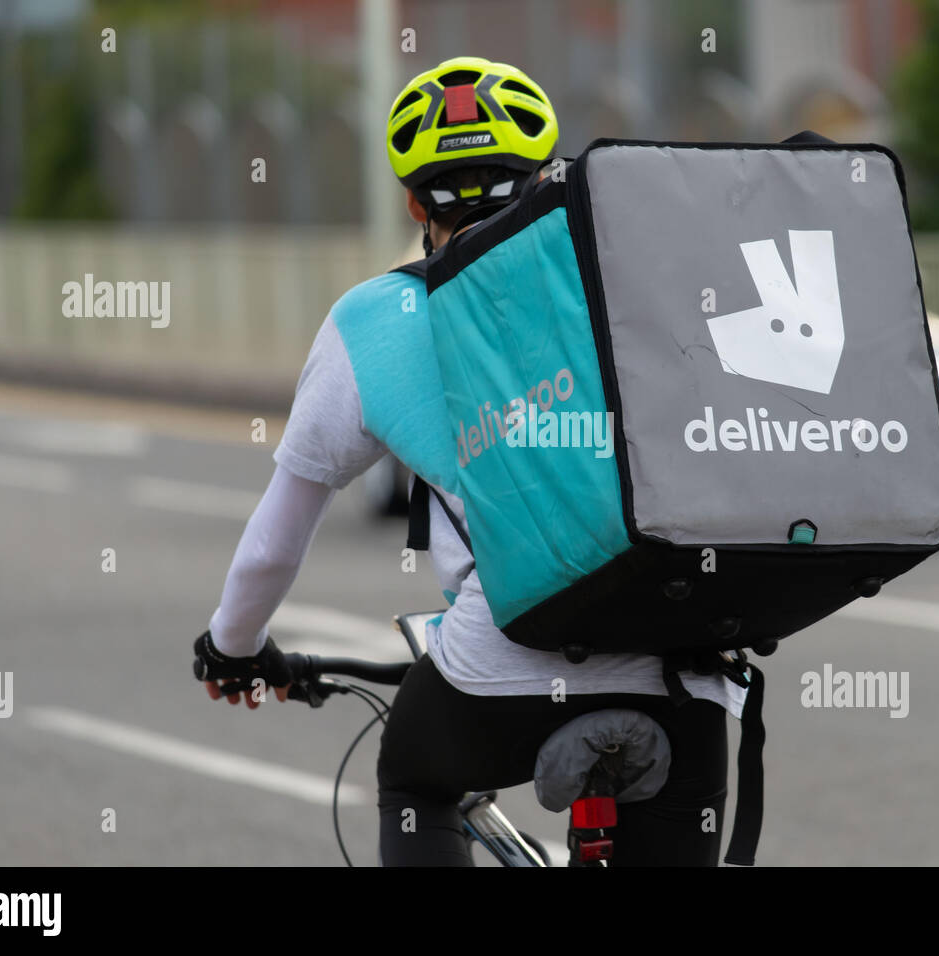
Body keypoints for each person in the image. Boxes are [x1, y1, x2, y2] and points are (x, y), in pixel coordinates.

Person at [192, 56, 746, 866]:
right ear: (547, 177)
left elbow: (275, 543)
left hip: (501, 662)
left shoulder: (374, 322)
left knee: (415, 780)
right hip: (679, 666)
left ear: (414, 202)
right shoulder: (629, 284)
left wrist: (232, 647)